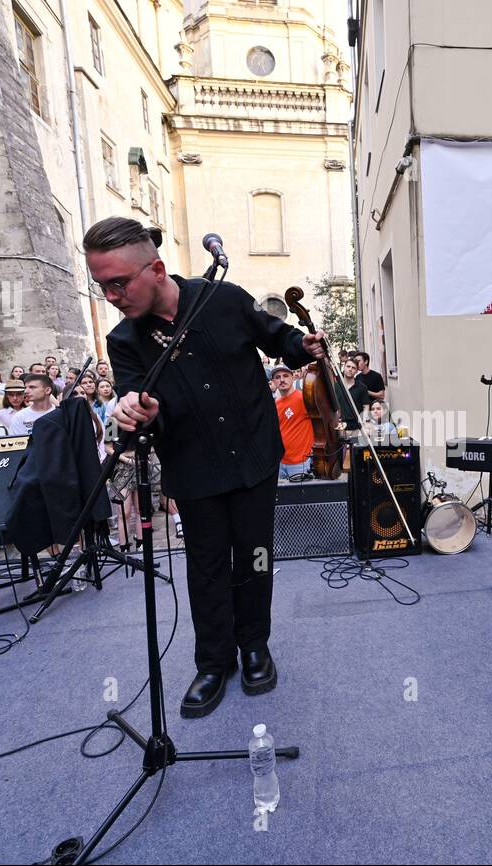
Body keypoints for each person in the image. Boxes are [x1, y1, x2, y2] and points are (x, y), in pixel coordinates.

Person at [91, 215, 325, 718]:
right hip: (194, 469)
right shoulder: (124, 341)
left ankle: (255, 644)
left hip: (255, 459)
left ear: (155, 268)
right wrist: (140, 412)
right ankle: (214, 662)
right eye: (102, 286)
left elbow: (276, 336)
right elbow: (136, 402)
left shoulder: (222, 298)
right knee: (208, 566)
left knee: (256, 556)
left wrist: (301, 346)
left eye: (118, 282)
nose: (111, 296)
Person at [270, 365, 313, 479]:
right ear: (273, 381)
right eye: (277, 377)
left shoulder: (303, 398)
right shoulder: (276, 404)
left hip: (300, 462)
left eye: (285, 376)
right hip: (280, 462)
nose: (282, 380)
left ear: (293, 377)